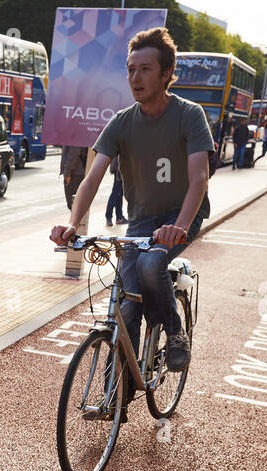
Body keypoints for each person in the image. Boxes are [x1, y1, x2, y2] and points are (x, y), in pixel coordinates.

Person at [50, 26, 211, 377]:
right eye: (130, 69)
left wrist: (180, 227)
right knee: (125, 303)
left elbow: (199, 178)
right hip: (141, 219)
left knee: (152, 265)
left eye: (145, 69)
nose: (135, 77)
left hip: (182, 213)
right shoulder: (121, 122)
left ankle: (174, 332)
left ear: (167, 73)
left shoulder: (189, 115)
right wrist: (73, 224)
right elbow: (92, 177)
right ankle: (117, 386)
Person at [60, 144, 88, 210]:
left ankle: (77, 220)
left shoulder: (74, 136)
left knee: (73, 205)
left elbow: (73, 154)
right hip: (76, 172)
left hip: (74, 174)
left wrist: (67, 173)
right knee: (75, 205)